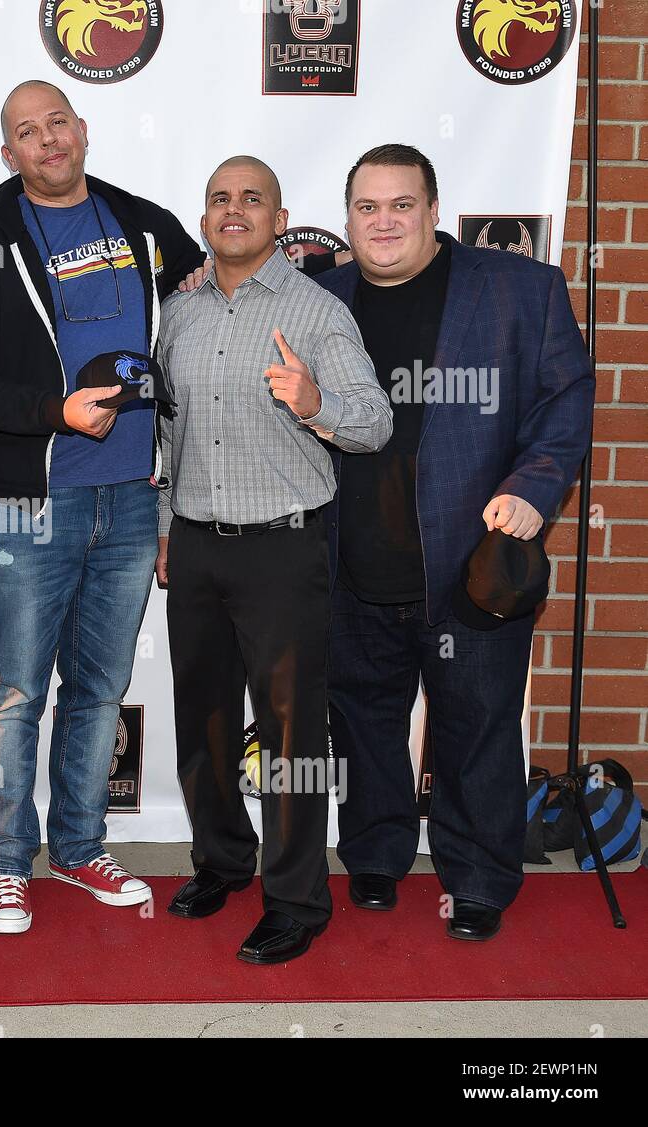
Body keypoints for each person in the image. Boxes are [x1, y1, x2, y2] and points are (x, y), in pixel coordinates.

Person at [0, 80, 205, 935]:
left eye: (58, 123)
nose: (47, 140)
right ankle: (8, 862)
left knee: (99, 686)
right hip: (29, 502)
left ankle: (80, 846)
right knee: (14, 689)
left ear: (82, 130)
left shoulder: (147, 225)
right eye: (26, 132)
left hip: (130, 499)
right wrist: (52, 413)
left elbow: (202, 329)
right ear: (7, 154)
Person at [313, 144, 594, 940]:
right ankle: (374, 853)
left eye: (401, 204)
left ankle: (476, 877)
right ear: (349, 219)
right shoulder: (319, 295)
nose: (384, 221)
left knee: (476, 723)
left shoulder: (519, 289)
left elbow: (565, 399)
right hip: (351, 556)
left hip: (474, 560)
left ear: (434, 210)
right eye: (367, 208)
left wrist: (534, 489)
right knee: (363, 718)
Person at [155, 156, 392, 965]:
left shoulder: (316, 313)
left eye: (251, 199)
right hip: (191, 544)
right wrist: (163, 524)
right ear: (204, 215)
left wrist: (316, 403)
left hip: (283, 549)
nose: (234, 210)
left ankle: (296, 899)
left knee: (293, 736)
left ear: (281, 218)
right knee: (206, 720)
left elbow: (374, 422)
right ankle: (222, 861)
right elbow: (169, 432)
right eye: (220, 197)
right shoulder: (179, 312)